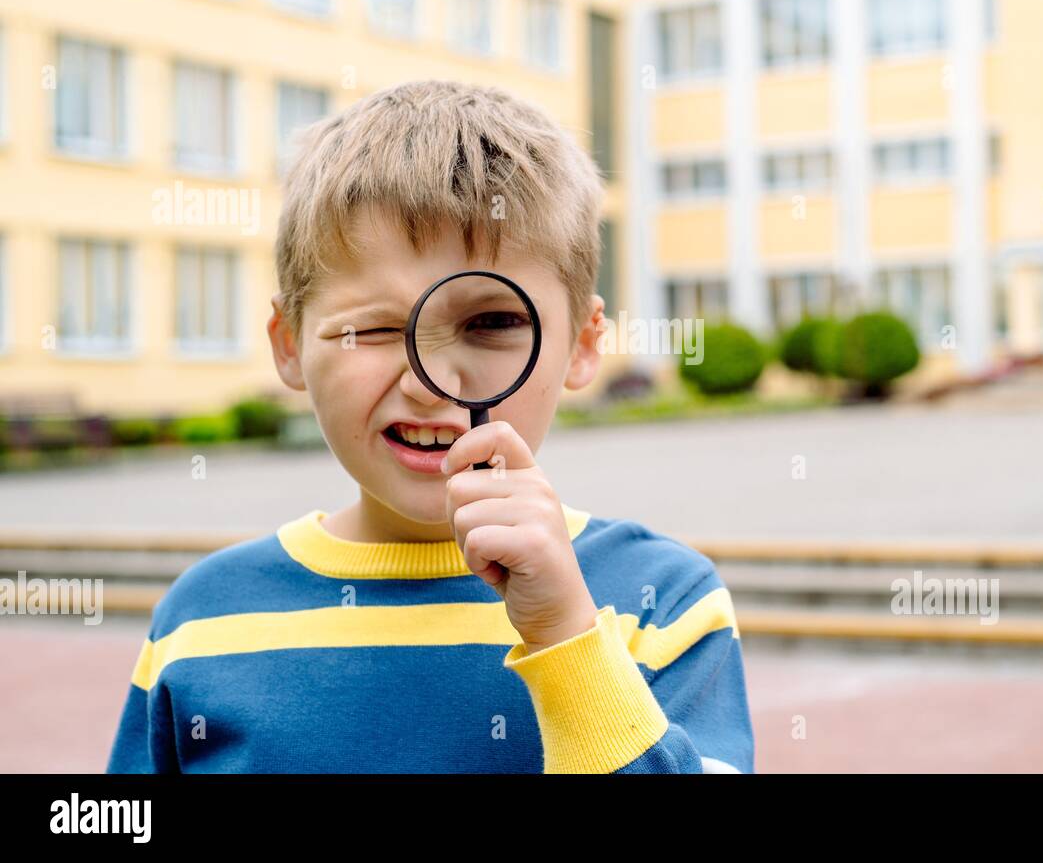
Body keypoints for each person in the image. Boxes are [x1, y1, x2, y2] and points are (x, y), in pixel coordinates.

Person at [106, 79, 754, 773]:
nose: (428, 382)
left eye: (493, 322)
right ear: (289, 344)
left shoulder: (663, 606)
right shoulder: (204, 619)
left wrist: (566, 635)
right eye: (376, 329)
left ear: (585, 343)